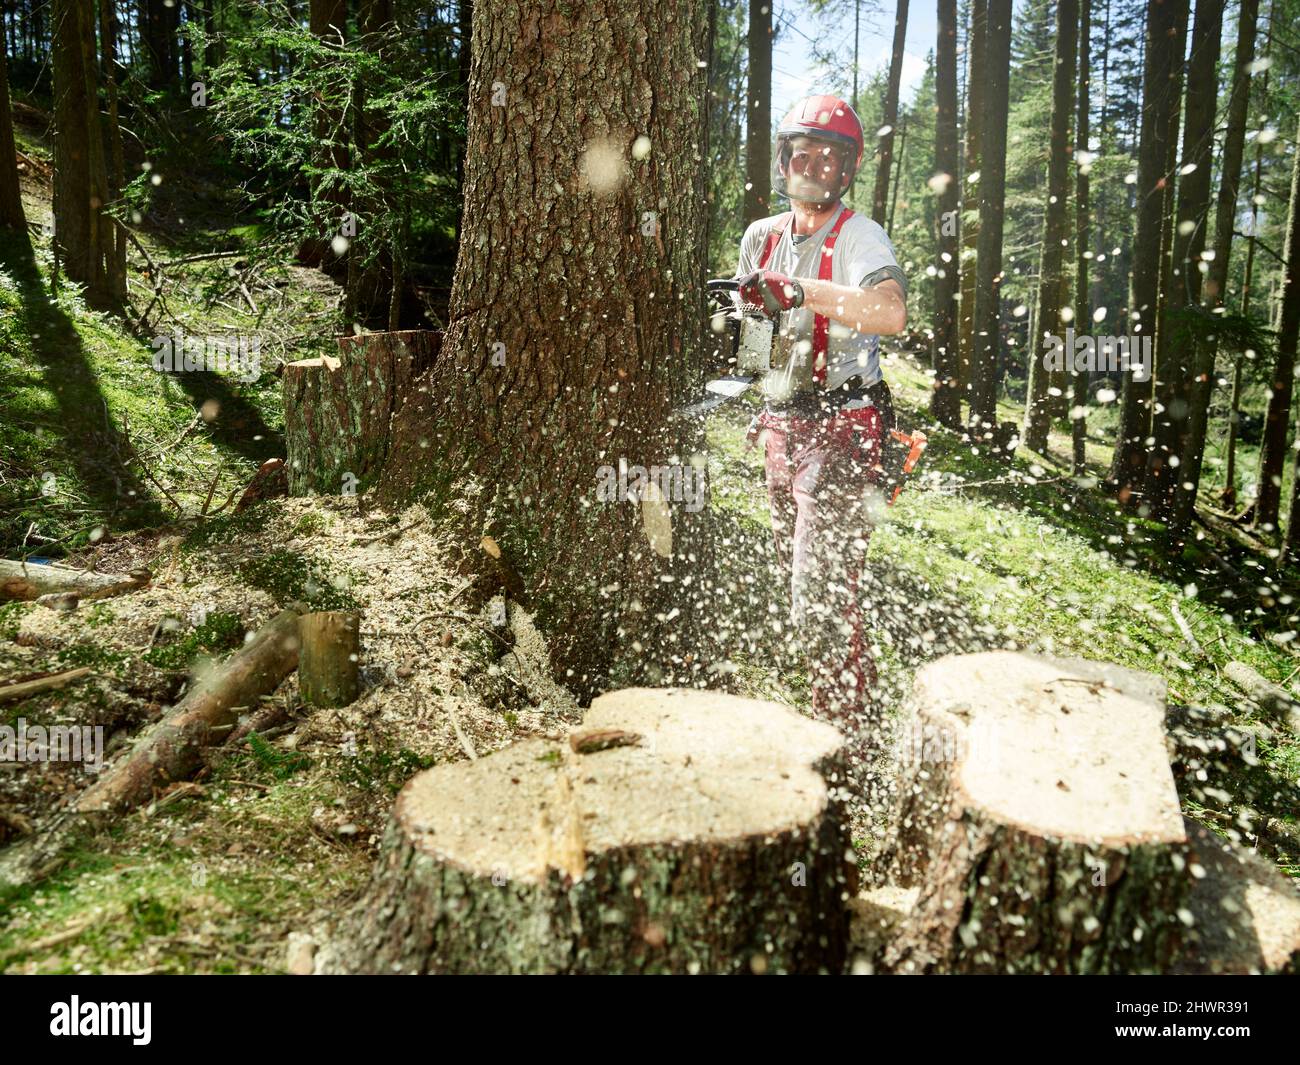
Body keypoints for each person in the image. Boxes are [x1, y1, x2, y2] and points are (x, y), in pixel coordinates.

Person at [733, 93, 908, 759]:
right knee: (795, 574)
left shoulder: (860, 237)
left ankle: (848, 746)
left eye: (830, 158)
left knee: (821, 594)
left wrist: (804, 291)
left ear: (847, 171)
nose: (814, 165)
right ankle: (826, 717)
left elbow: (890, 314)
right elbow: (760, 337)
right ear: (784, 160)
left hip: (844, 426)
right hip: (784, 422)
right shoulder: (761, 236)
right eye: (803, 153)